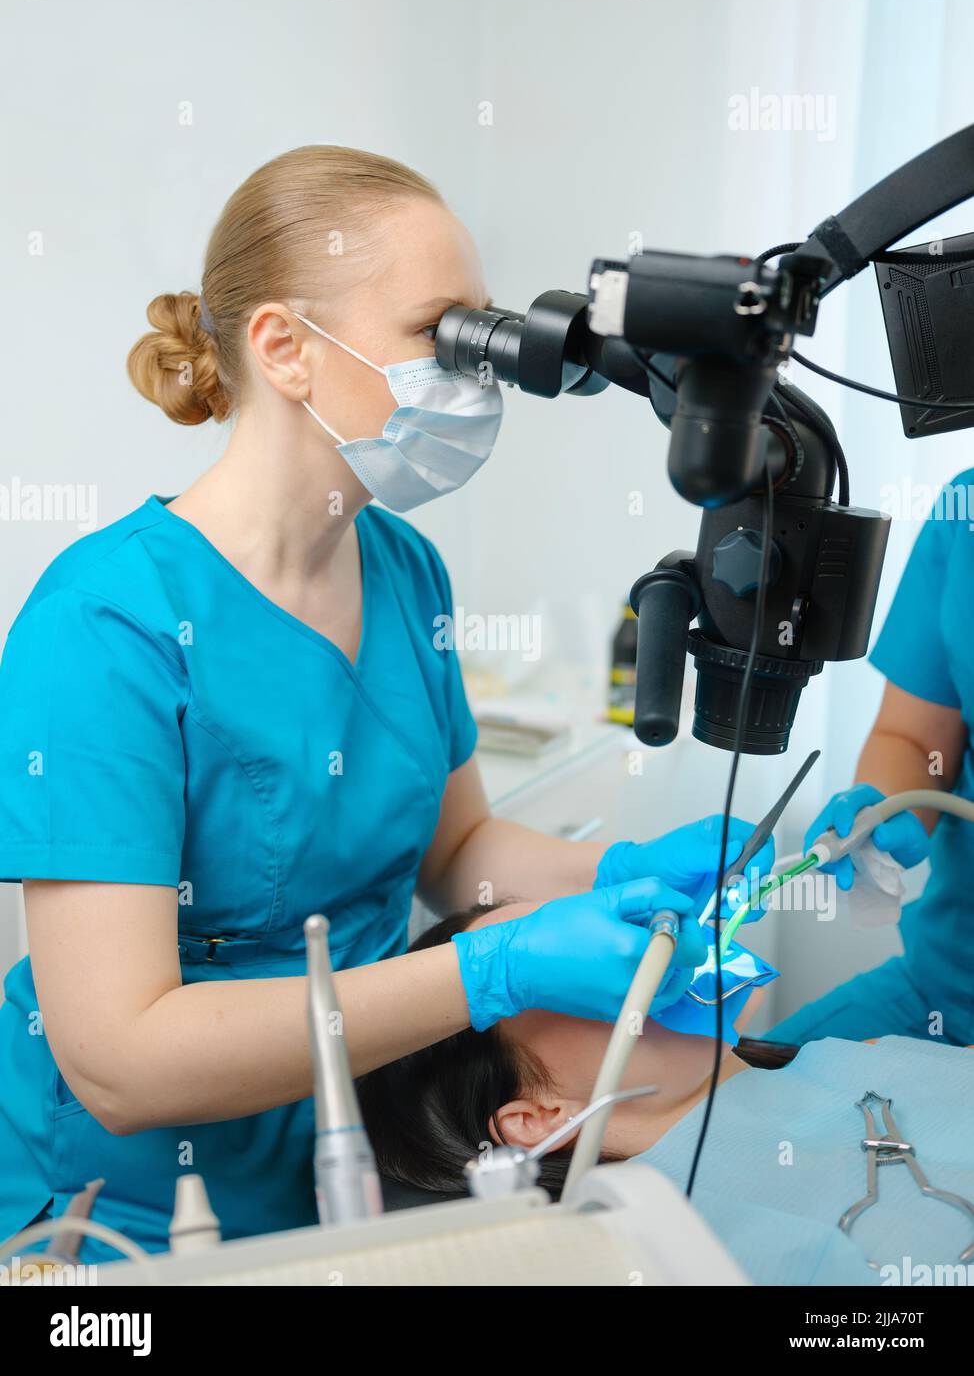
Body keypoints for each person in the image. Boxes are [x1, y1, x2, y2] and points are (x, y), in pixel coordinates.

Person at [0, 143, 773, 1258]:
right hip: (122, 1207)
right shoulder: (104, 623)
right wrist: (487, 970)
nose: (479, 371)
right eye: (440, 332)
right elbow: (122, 1059)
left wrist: (625, 872)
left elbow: (454, 850)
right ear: (284, 348)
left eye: (481, 330)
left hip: (353, 1153)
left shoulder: (402, 570)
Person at [358, 902, 974, 1286]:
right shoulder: (666, 1236)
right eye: (563, 975)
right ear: (541, 1117)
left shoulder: (852, 1056)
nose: (635, 957)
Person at [770, 470, 974, 1048]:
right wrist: (882, 812)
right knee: (751, 1090)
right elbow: (913, 738)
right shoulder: (967, 512)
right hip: (946, 990)